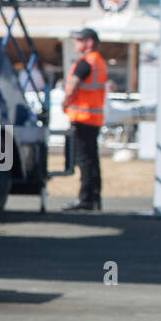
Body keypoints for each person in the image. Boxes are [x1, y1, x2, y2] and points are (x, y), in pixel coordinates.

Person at [61, 27, 107, 211]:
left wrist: (65, 103)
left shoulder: (85, 63)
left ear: (89, 42)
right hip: (93, 117)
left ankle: (86, 198)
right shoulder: (99, 62)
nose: (75, 43)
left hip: (82, 117)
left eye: (79, 40)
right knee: (92, 160)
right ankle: (94, 197)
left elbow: (73, 86)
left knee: (85, 160)